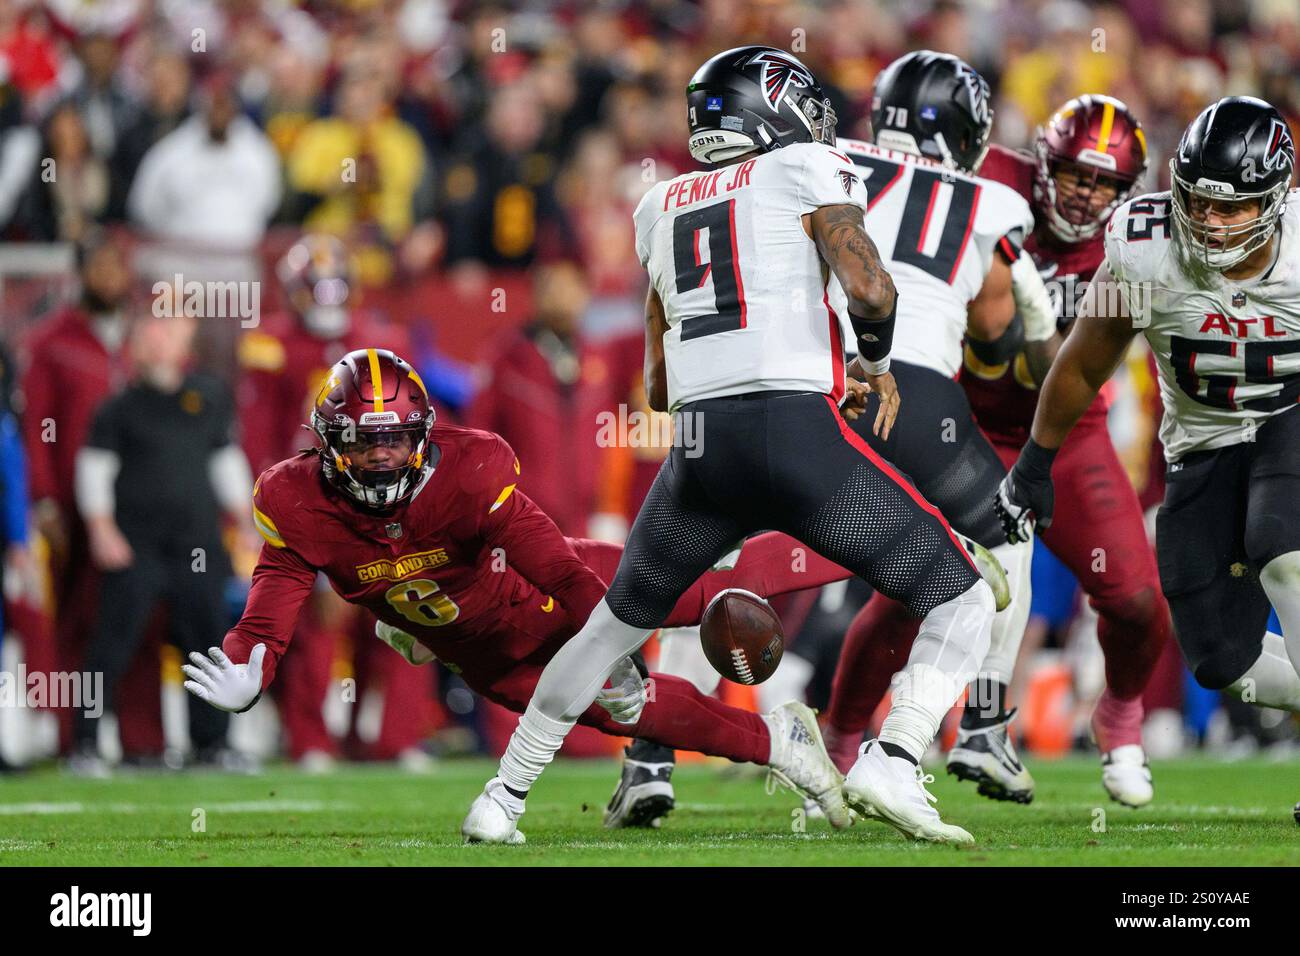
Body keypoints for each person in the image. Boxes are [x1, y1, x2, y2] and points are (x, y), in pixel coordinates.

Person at [458, 46, 1005, 847]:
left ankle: (503, 798)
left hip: (700, 447)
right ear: (771, 109)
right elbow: (871, 287)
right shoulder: (805, 167)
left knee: (613, 628)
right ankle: (893, 756)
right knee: (964, 593)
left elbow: (655, 382)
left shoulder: (659, 203)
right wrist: (875, 365)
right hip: (794, 431)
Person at [181, 348, 858, 822]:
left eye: (396, 440)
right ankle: (782, 745)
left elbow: (559, 570)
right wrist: (252, 667)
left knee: (718, 589)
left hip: (563, 591)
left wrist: (613, 647)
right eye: (363, 442)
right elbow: (268, 616)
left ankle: (874, 537)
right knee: (633, 712)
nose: (382, 456)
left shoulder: (469, 467)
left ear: (423, 434)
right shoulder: (297, 501)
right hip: (490, 658)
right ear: (328, 442)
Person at [824, 93, 1168, 807]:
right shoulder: (992, 183)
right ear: (1043, 162)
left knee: (1136, 598)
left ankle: (1121, 717)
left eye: (1106, 184)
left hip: (1066, 432)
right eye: (1076, 173)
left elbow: (1065, 367)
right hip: (967, 423)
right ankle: (842, 737)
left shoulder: (1140, 236)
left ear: (1128, 193)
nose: (1087, 192)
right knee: (913, 594)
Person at [996, 96, 1300, 819]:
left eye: (1234, 209)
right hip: (1202, 444)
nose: (1212, 223)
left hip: (1290, 416)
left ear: (1276, 200)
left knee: (1282, 549)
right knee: (1225, 663)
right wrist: (1035, 462)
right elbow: (1080, 364)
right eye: (1199, 203)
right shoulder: (1144, 244)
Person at [811, 51, 1053, 804]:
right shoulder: (991, 201)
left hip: (812, 381)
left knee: (710, 551)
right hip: (910, 393)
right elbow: (991, 333)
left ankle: (649, 754)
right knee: (1007, 532)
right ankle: (979, 723)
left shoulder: (825, 160)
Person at [72, 311, 257, 773]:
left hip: (197, 546)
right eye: (148, 334)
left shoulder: (208, 397)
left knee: (210, 647)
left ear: (184, 345)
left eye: (167, 335)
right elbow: (94, 471)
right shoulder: (117, 408)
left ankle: (212, 744)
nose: (157, 344)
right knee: (111, 647)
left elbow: (226, 461)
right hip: (136, 546)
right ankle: (86, 744)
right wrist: (101, 529)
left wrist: (249, 521)